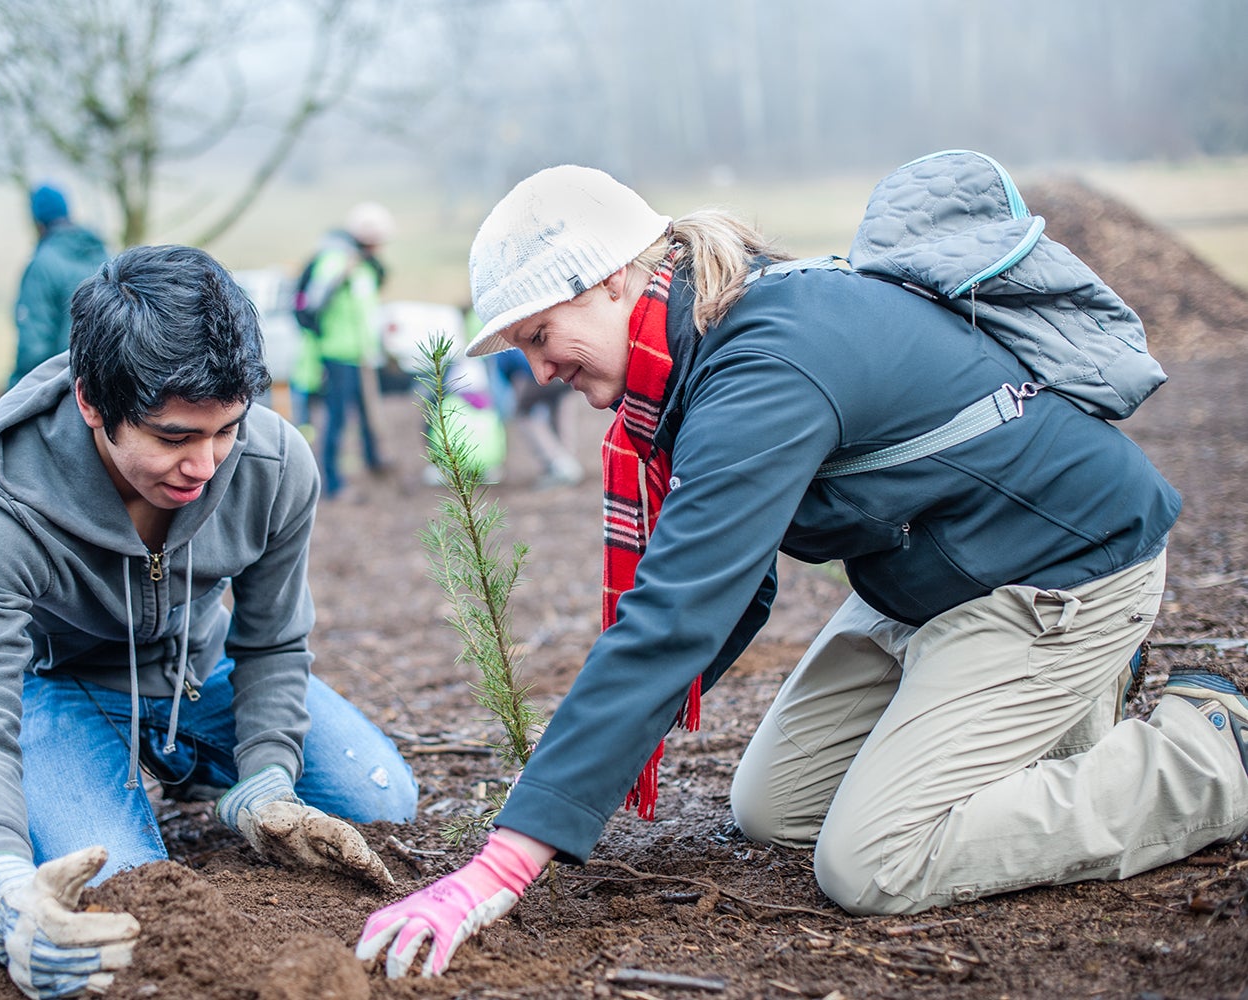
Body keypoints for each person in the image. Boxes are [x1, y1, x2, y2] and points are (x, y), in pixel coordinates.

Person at [357, 164, 1248, 977]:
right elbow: (728, 593)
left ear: (613, 278)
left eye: (541, 334)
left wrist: (504, 862)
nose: (540, 369)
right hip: (930, 582)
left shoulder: (763, 365)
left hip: (1061, 571)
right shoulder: (700, 349)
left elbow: (675, 616)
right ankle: (1052, 716)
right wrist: (581, 767)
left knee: (874, 861)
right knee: (773, 810)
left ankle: (1207, 752)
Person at [0, 244, 418, 999]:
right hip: (64, 690)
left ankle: (197, 779)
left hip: (199, 675)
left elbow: (273, 642)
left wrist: (268, 780)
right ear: (93, 402)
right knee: (126, 893)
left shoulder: (275, 464)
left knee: (382, 801)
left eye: (226, 429)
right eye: (174, 438)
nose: (207, 465)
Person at [298, 201, 395, 499]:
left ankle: (374, 462)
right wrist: (341, 275)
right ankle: (332, 482)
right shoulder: (334, 261)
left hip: (362, 354)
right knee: (337, 418)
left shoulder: (366, 267)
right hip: (337, 354)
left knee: (367, 414)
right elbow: (314, 302)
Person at [8, 183, 110, 389]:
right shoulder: (104, 255)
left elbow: (34, 344)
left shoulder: (43, 265)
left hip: (62, 387)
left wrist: (15, 392)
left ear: (38, 222)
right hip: (108, 386)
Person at [492, 346, 582, 489]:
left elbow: (506, 363)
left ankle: (558, 463)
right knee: (559, 407)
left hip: (530, 372)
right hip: (561, 366)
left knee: (523, 413)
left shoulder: (499, 338)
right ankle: (567, 458)